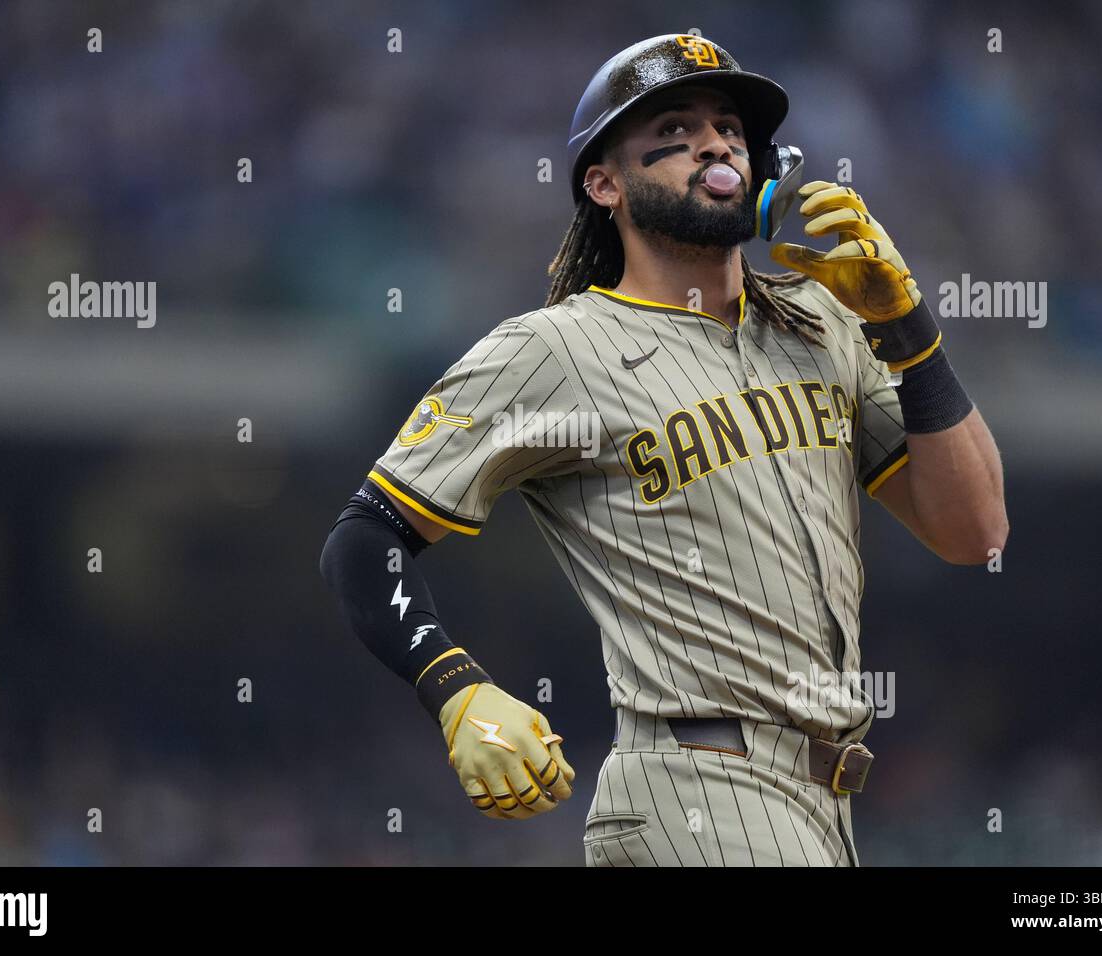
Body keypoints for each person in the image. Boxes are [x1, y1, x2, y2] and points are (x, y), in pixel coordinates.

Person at [320, 33, 1007, 866]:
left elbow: (974, 532)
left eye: (728, 129)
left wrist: (910, 332)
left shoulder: (823, 322)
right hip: (695, 790)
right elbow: (363, 538)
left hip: (820, 802)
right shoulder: (556, 350)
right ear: (604, 184)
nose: (714, 145)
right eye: (674, 133)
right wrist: (455, 688)